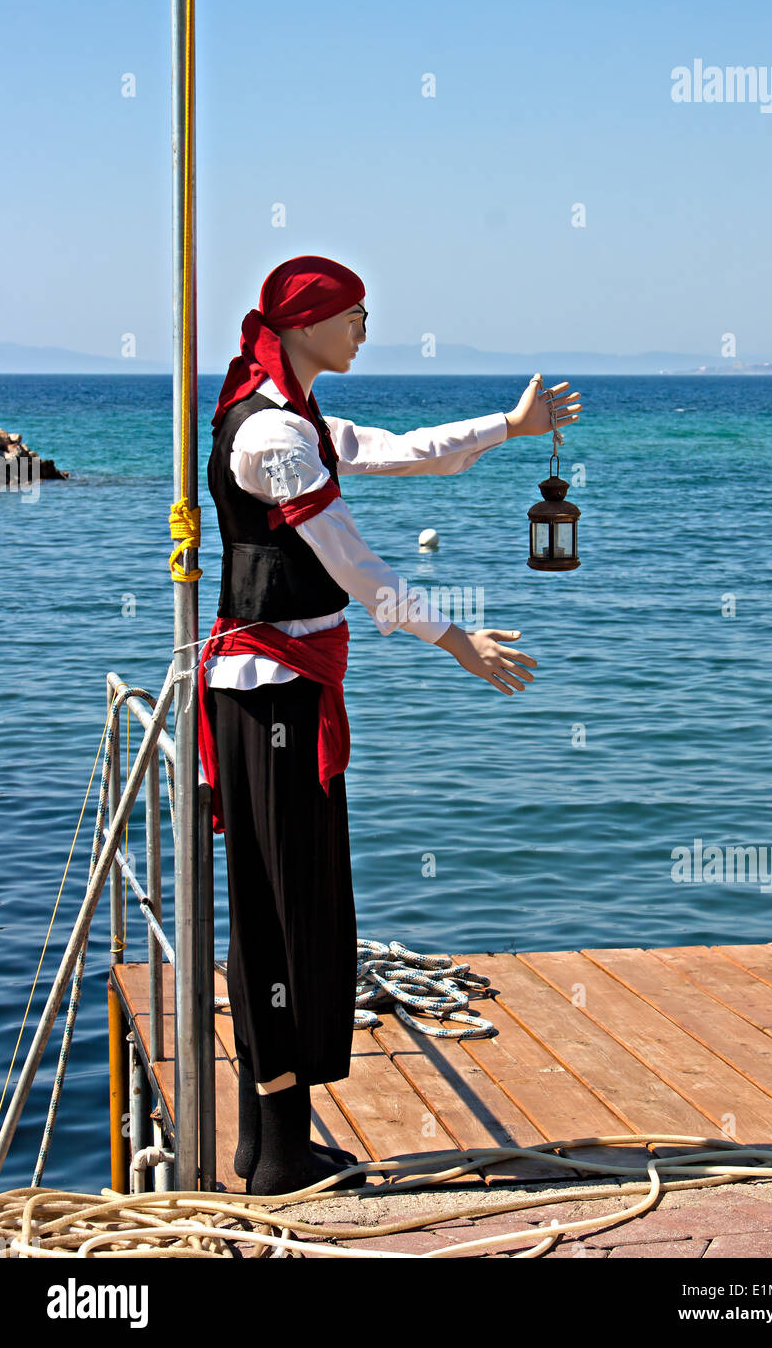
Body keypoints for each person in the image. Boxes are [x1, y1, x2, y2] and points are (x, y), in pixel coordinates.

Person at [198, 255, 582, 1195]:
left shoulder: (294, 417)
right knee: (283, 909)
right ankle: (279, 1156)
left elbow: (406, 450)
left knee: (291, 901)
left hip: (287, 686)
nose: (366, 330)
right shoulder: (272, 435)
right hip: (269, 694)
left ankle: (267, 1143)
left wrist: (511, 426)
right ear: (305, 323)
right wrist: (456, 640)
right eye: (355, 315)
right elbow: (353, 564)